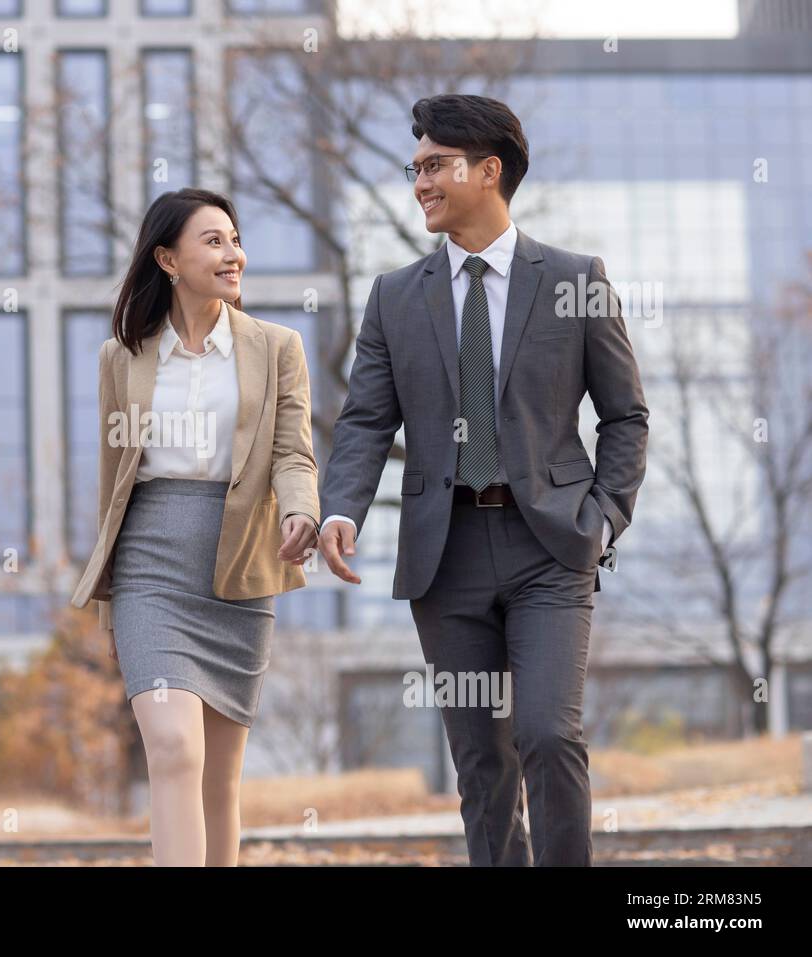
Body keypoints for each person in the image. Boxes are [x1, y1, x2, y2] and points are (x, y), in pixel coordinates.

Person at [318, 94, 649, 866]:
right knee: (482, 763)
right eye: (416, 167)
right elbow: (366, 421)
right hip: (447, 556)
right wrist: (342, 512)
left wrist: (603, 516)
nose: (420, 183)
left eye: (435, 165)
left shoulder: (575, 278)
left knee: (546, 730)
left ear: (488, 169)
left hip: (550, 548)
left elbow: (626, 415)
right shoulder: (394, 298)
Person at [70, 188, 320, 866]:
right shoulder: (120, 357)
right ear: (167, 259)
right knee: (175, 748)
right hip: (152, 563)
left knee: (219, 777)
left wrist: (301, 508)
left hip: (239, 561)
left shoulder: (276, 347)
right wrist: (108, 577)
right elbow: (112, 477)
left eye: (235, 239)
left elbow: (294, 451)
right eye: (213, 240)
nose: (232, 252)